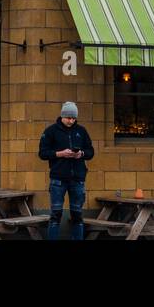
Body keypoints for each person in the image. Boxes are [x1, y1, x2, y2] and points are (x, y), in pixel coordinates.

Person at [38, 101, 94, 240]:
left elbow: (91, 152)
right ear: (62, 116)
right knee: (55, 215)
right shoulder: (50, 131)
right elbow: (42, 153)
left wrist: (80, 154)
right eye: (68, 117)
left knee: (77, 215)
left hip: (78, 178)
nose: (71, 121)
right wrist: (60, 154)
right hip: (58, 179)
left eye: (73, 118)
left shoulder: (81, 131)